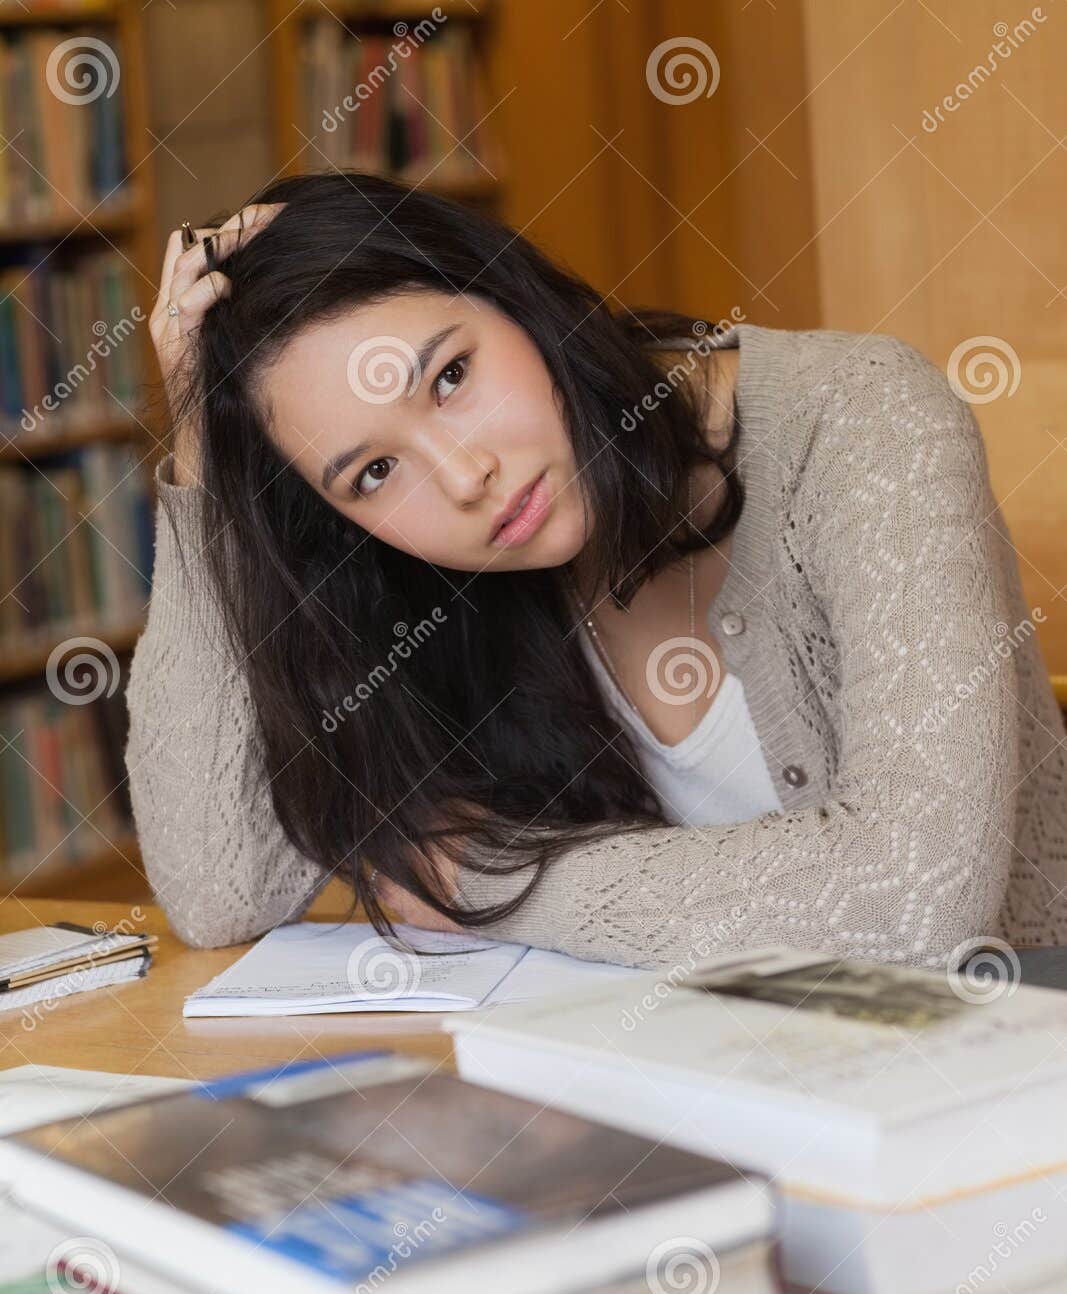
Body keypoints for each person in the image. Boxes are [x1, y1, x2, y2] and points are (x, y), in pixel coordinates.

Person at [126, 169, 1067, 971]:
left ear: (508, 296)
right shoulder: (414, 580)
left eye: (450, 376)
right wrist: (207, 471)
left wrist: (483, 877)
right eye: (373, 472)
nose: (464, 480)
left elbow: (917, 899)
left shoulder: (858, 419)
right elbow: (221, 889)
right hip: (700, 1097)